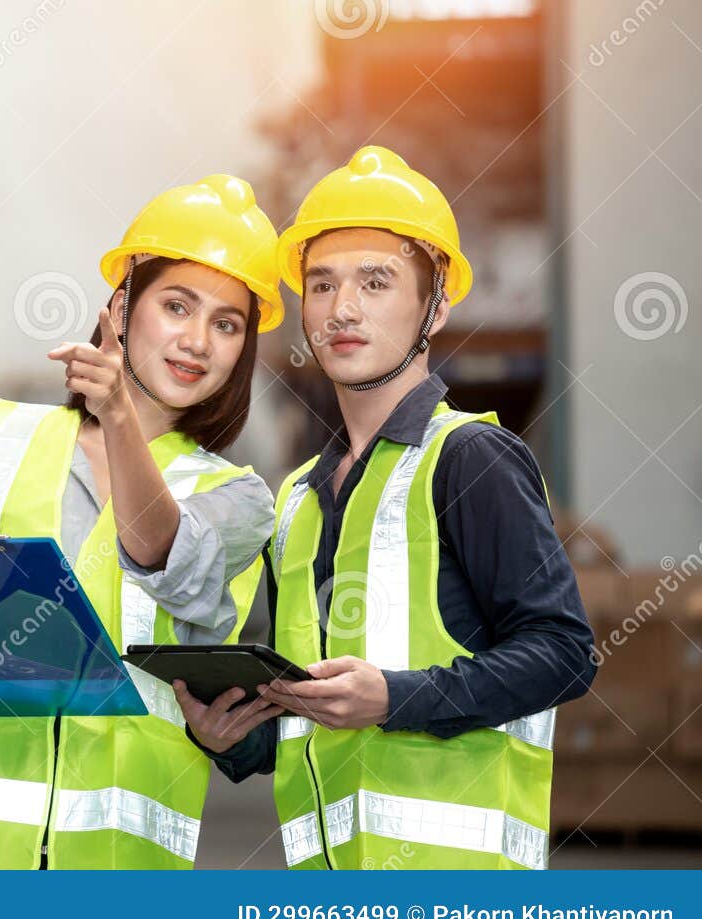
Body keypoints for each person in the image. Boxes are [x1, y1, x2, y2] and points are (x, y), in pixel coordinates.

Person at [174, 146, 596, 870]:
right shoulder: (300, 497)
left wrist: (395, 698)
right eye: (321, 284)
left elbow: (564, 654)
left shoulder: (469, 460)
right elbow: (311, 714)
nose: (342, 310)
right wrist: (232, 737)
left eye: (376, 283)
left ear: (436, 305)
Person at [0, 175, 286, 869]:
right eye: (176, 306)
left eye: (226, 324)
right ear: (120, 307)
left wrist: (120, 419)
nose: (197, 340)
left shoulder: (236, 497)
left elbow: (158, 548)